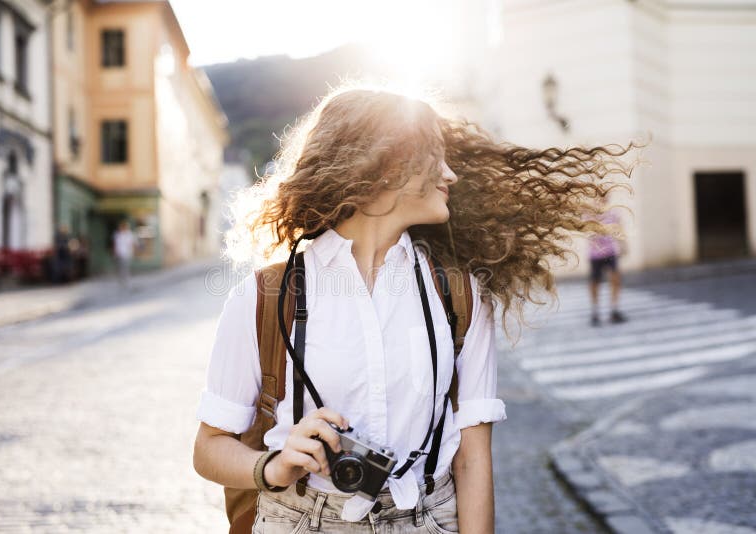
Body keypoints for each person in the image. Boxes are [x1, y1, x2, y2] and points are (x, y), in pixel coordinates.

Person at [193, 85, 634, 533]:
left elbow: (472, 458)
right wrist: (275, 465)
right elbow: (208, 448)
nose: (451, 174)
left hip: (427, 519)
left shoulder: (459, 295)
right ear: (386, 167)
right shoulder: (265, 296)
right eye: (435, 157)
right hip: (299, 519)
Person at [586, 195, 629, 327]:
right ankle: (595, 311)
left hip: (610, 252)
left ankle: (614, 310)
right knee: (595, 282)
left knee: (616, 280)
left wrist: (623, 245)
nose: (602, 199)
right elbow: (587, 232)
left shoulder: (613, 212)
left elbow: (619, 230)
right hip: (595, 254)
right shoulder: (590, 214)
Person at [113, 220, 135, 289]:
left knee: (126, 267)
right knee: (120, 267)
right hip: (119, 253)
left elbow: (131, 244)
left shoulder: (129, 234)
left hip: (127, 253)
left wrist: (132, 251)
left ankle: (126, 280)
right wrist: (115, 251)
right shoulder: (117, 234)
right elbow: (115, 244)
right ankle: (121, 280)